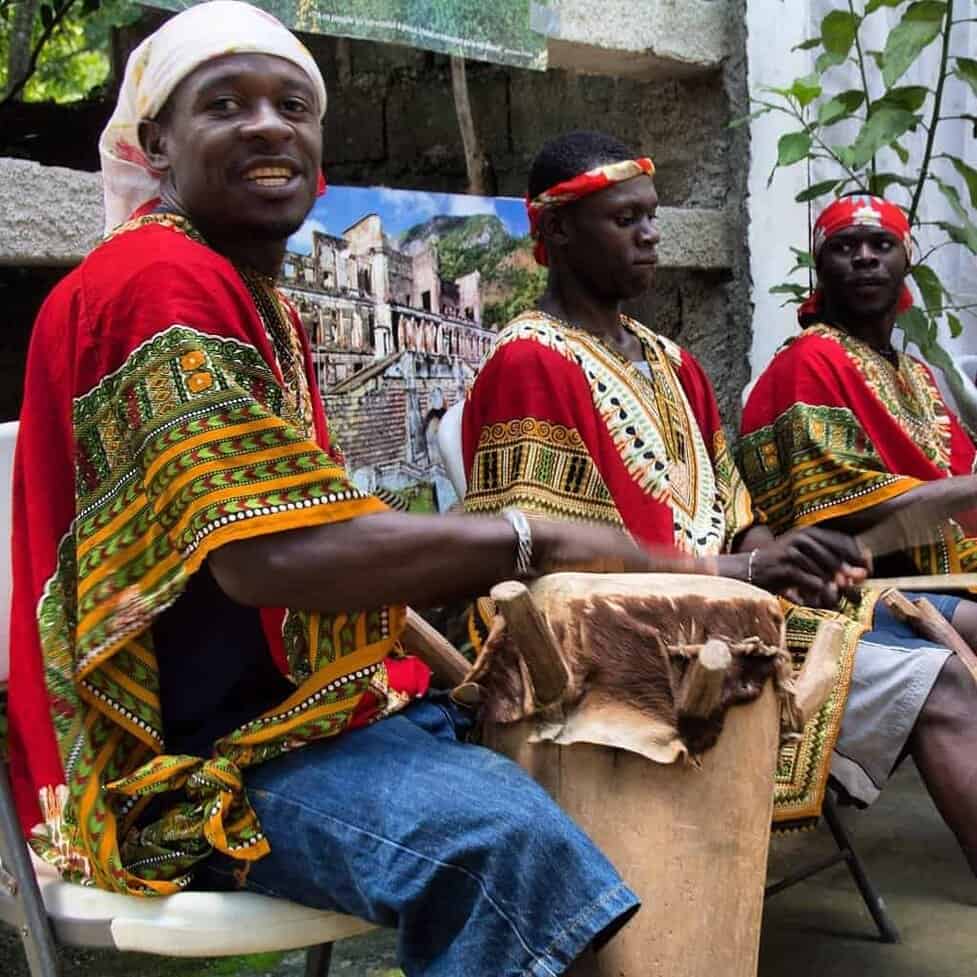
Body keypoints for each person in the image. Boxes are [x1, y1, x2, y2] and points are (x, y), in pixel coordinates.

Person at [4, 8, 756, 975]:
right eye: (224, 105)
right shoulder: (163, 279)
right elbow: (269, 558)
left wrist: (456, 670)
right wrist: (539, 537)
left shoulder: (245, 291)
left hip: (296, 717)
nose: (269, 125)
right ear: (157, 144)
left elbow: (312, 527)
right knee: (506, 851)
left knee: (564, 771)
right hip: (194, 765)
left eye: (293, 105)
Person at [460, 131, 877, 830]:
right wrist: (741, 567)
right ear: (557, 230)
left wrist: (786, 564)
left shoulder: (673, 362)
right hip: (622, 656)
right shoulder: (530, 361)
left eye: (651, 215)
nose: (652, 235)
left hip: (727, 623)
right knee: (942, 687)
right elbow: (547, 563)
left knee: (927, 659)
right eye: (626, 220)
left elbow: (734, 506)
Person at [739, 193, 977, 873]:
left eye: (881, 244)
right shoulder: (809, 360)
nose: (865, 257)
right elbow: (842, 521)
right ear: (819, 263)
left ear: (907, 259)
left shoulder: (917, 378)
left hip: (935, 577)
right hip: (849, 586)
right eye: (845, 245)